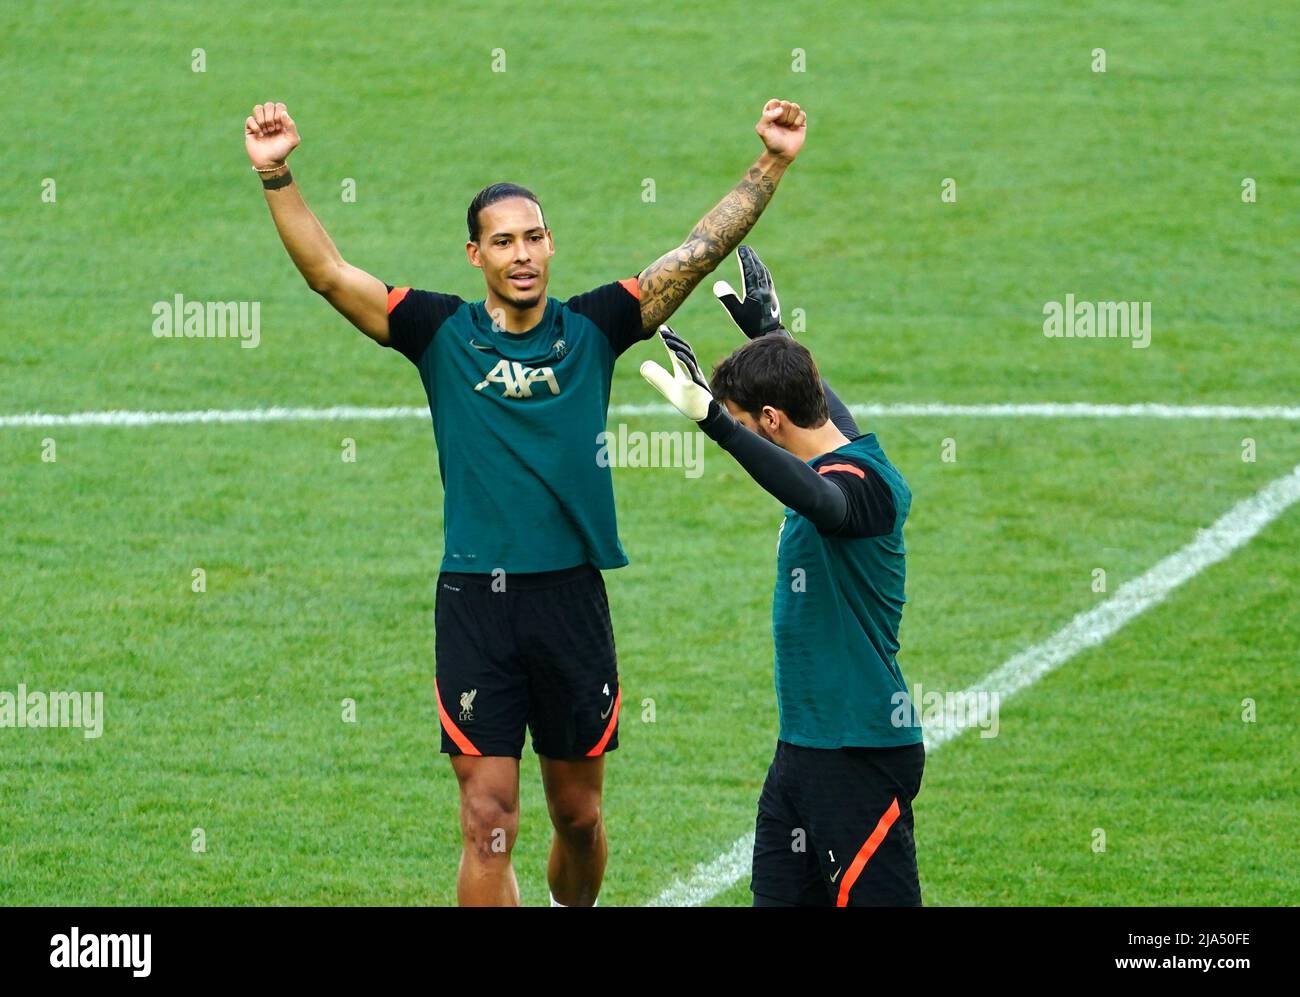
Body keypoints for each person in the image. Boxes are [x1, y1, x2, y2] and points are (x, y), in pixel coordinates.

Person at [244, 101, 807, 906]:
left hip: (569, 598)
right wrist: (276, 172)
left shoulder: (594, 327)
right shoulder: (435, 330)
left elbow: (697, 250)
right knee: (488, 819)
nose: (522, 253)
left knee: (577, 816)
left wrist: (772, 163)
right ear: (475, 254)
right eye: (502, 240)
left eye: (534, 236)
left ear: (551, 244)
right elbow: (329, 273)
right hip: (476, 601)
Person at [641, 246, 924, 906]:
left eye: (750, 422)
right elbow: (811, 411)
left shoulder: (862, 489)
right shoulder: (845, 445)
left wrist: (716, 423)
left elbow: (815, 496)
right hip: (804, 747)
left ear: (770, 421)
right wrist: (771, 335)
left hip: (856, 750)